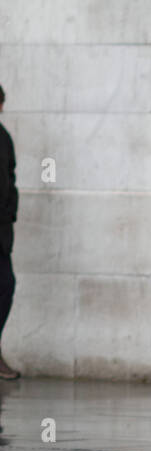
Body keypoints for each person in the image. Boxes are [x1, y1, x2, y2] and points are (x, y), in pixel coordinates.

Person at [0, 83, 19, 380]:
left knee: (5, 286)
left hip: (0, 233)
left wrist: (10, 213)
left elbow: (10, 177)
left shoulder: (3, 138)